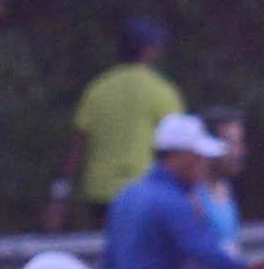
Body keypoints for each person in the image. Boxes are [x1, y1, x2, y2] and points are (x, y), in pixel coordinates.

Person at [101, 116, 244, 269]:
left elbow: (110, 261)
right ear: (180, 156)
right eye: (199, 156)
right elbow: (204, 253)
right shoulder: (171, 201)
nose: (204, 162)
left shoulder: (127, 195)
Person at [64, 19, 184, 229]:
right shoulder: (162, 91)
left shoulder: (97, 89)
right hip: (144, 190)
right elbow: (180, 145)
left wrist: (61, 192)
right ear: (149, 51)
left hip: (100, 194)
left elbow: (78, 145)